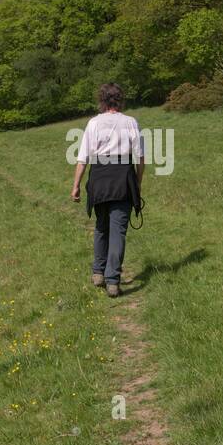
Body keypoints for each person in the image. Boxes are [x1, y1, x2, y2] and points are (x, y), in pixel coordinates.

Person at [71, 83, 145, 297]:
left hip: (100, 177)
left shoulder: (93, 123)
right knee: (118, 231)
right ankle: (113, 280)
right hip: (123, 178)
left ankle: (98, 272)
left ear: (102, 100)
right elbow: (140, 158)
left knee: (101, 227)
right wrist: (137, 185)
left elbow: (83, 158)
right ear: (120, 99)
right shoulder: (130, 122)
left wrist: (76, 185)